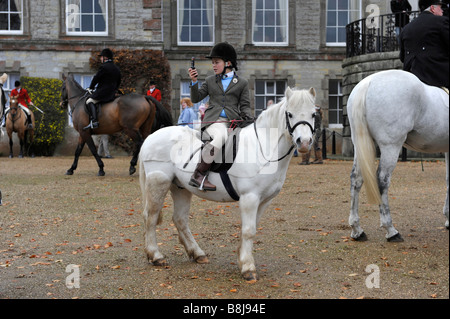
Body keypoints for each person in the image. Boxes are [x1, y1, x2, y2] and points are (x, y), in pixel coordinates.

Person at [188, 42, 253, 191]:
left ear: (228, 63)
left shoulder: (242, 83)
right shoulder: (210, 80)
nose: (213, 65)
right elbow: (196, 98)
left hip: (232, 122)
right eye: (212, 63)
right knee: (221, 137)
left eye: (216, 62)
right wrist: (194, 82)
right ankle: (198, 174)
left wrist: (247, 118)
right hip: (213, 121)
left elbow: (244, 105)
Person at [399, 0, 449, 88]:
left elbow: (402, 57)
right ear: (433, 8)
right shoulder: (442, 21)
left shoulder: (406, 28)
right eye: (440, 8)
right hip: (438, 76)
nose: (442, 11)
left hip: (412, 76)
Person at [85, 48, 122, 130]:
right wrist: (115, 90)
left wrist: (91, 87)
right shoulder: (116, 68)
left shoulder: (104, 67)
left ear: (105, 58)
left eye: (101, 57)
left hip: (104, 93)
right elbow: (119, 81)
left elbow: (96, 78)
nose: (100, 58)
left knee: (89, 101)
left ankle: (94, 121)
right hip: (113, 92)